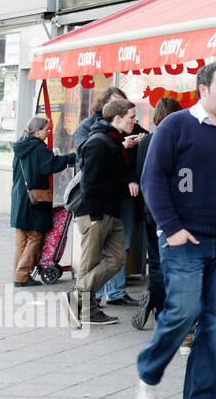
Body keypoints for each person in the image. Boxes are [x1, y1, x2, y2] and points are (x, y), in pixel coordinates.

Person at [134, 62, 216, 399]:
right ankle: (149, 372)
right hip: (185, 240)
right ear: (203, 89)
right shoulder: (176, 126)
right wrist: (170, 228)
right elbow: (152, 179)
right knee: (183, 311)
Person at [67, 98, 140, 327]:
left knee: (117, 260)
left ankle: (77, 297)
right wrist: (96, 217)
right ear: (117, 119)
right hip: (95, 214)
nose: (135, 121)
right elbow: (90, 183)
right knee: (89, 264)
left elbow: (121, 171)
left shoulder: (114, 141)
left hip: (111, 212)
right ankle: (88, 310)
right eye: (132, 117)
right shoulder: (99, 142)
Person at [131, 98, 182, 331]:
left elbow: (143, 177)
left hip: (151, 209)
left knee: (157, 261)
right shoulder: (181, 140)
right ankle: (168, 308)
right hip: (174, 211)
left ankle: (158, 303)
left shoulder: (147, 141)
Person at [11, 117, 76, 287]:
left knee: (22, 237)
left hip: (20, 195)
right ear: (37, 130)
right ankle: (23, 276)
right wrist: (69, 158)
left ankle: (18, 275)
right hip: (34, 198)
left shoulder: (22, 145)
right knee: (35, 236)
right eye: (46, 129)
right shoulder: (38, 147)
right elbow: (50, 165)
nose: (48, 132)